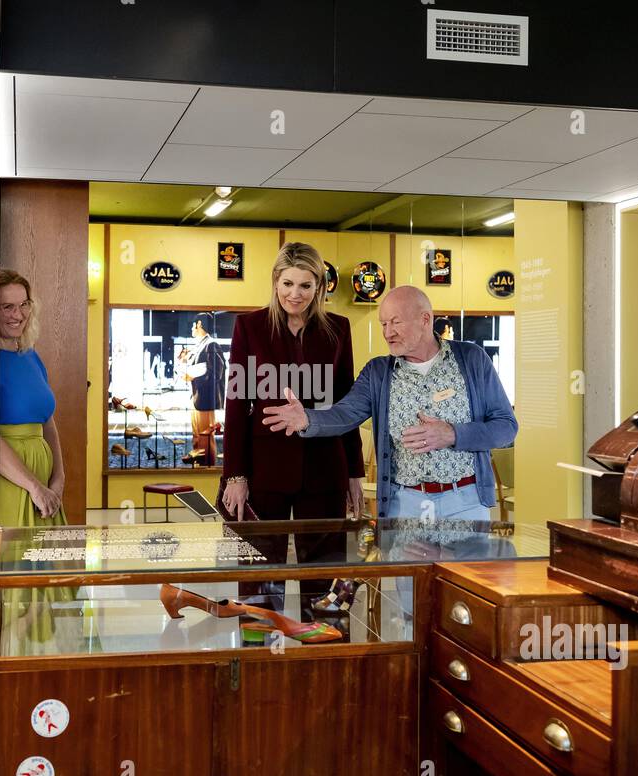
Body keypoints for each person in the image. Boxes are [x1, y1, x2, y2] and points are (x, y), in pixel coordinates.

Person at [262, 285, 516, 522]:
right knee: (403, 572)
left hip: (466, 502)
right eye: (383, 323)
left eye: (396, 322)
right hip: (403, 504)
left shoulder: (472, 359)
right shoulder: (378, 372)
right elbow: (345, 413)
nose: (387, 332)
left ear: (425, 320)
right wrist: (307, 419)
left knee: (464, 572)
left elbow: (505, 426)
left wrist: (452, 433)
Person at [220, 243, 365, 610]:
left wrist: (353, 473)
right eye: (287, 284)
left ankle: (321, 654)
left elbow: (345, 405)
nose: (294, 294)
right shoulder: (249, 326)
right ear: (275, 281)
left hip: (325, 465)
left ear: (319, 286)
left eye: (305, 285)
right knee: (259, 575)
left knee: (325, 577)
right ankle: (258, 658)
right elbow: (236, 403)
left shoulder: (339, 329)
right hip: (264, 468)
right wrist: (235, 475)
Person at [0, 268, 66, 527]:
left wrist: (58, 477)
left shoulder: (31, 356)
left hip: (43, 487)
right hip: (9, 482)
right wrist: (33, 487)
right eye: (7, 307)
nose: (18, 315)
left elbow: (47, 421)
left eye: (24, 304)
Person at [181, 313, 227, 466]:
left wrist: (193, 377)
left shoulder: (211, 344)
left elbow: (216, 373)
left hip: (205, 400)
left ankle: (206, 468)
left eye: (193, 325)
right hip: (197, 399)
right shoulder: (201, 345)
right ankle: (199, 466)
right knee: (198, 438)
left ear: (199, 324)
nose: (191, 329)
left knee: (205, 439)